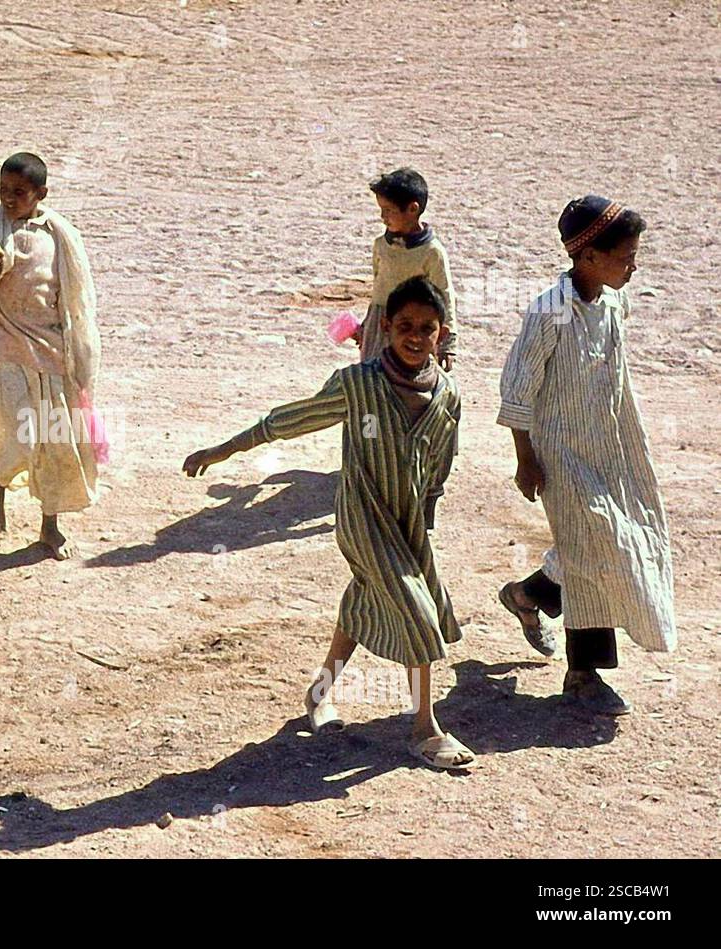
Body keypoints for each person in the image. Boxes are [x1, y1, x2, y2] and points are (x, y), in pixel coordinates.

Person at [184, 277, 473, 770]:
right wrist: (226, 448)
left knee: (365, 602)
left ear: (441, 333)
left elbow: (442, 460)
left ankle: (319, 695)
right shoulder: (358, 385)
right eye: (405, 326)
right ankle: (426, 728)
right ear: (385, 327)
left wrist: (428, 511)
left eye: (427, 328)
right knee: (418, 612)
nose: (415, 336)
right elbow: (290, 420)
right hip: (363, 517)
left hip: (408, 523)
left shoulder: (447, 396)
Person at [496, 195, 676, 715]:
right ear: (588, 256)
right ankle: (583, 674)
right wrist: (524, 458)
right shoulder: (549, 309)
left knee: (608, 544)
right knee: (597, 547)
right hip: (559, 455)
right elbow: (517, 386)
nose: (633, 265)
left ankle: (531, 596)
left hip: (611, 449)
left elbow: (613, 376)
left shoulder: (615, 303)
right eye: (624, 256)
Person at [0, 152, 101, 560]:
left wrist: (80, 356)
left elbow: (76, 300)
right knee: (8, 426)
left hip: (51, 353)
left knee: (55, 441)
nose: (9, 199)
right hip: (3, 349)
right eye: (3, 190)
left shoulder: (59, 236)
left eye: (19, 193)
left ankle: (50, 525)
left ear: (41, 194)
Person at [353, 168, 458, 370]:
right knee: (373, 374)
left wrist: (448, 344)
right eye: (381, 210)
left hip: (413, 325)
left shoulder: (431, 252)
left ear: (412, 209)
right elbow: (378, 289)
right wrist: (367, 326)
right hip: (381, 322)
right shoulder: (381, 246)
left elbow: (445, 295)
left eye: (389, 210)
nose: (383, 217)